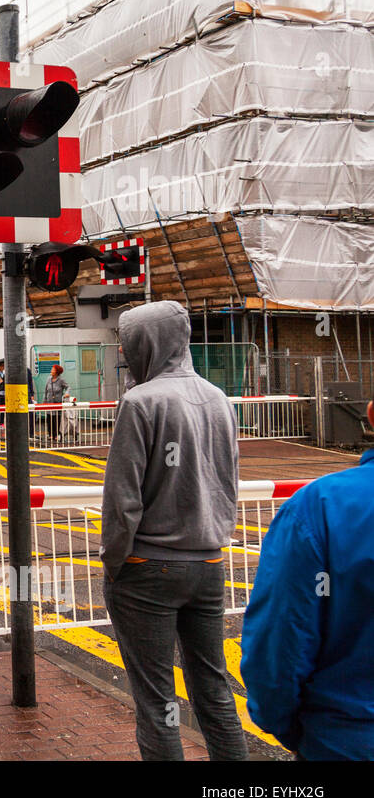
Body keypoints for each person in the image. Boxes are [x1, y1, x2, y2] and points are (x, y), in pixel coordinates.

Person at [101, 300, 247, 761]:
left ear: (147, 343)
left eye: (128, 344)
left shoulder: (141, 401)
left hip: (147, 567)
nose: (125, 354)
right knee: (214, 688)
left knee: (157, 700)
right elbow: (228, 480)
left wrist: (115, 562)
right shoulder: (218, 398)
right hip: (207, 563)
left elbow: (123, 499)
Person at [240, 398, 374, 760]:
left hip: (345, 740)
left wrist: (285, 723)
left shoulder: (319, 506)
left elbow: (281, 639)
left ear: (372, 414)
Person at [42, 364, 70, 444]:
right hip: (49, 402)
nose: (51, 371)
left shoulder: (61, 380)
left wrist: (67, 393)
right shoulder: (48, 379)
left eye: (53, 369)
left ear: (57, 372)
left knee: (56, 419)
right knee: (49, 418)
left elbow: (68, 387)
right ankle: (50, 434)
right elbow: (46, 391)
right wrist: (44, 402)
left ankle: (56, 434)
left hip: (57, 403)